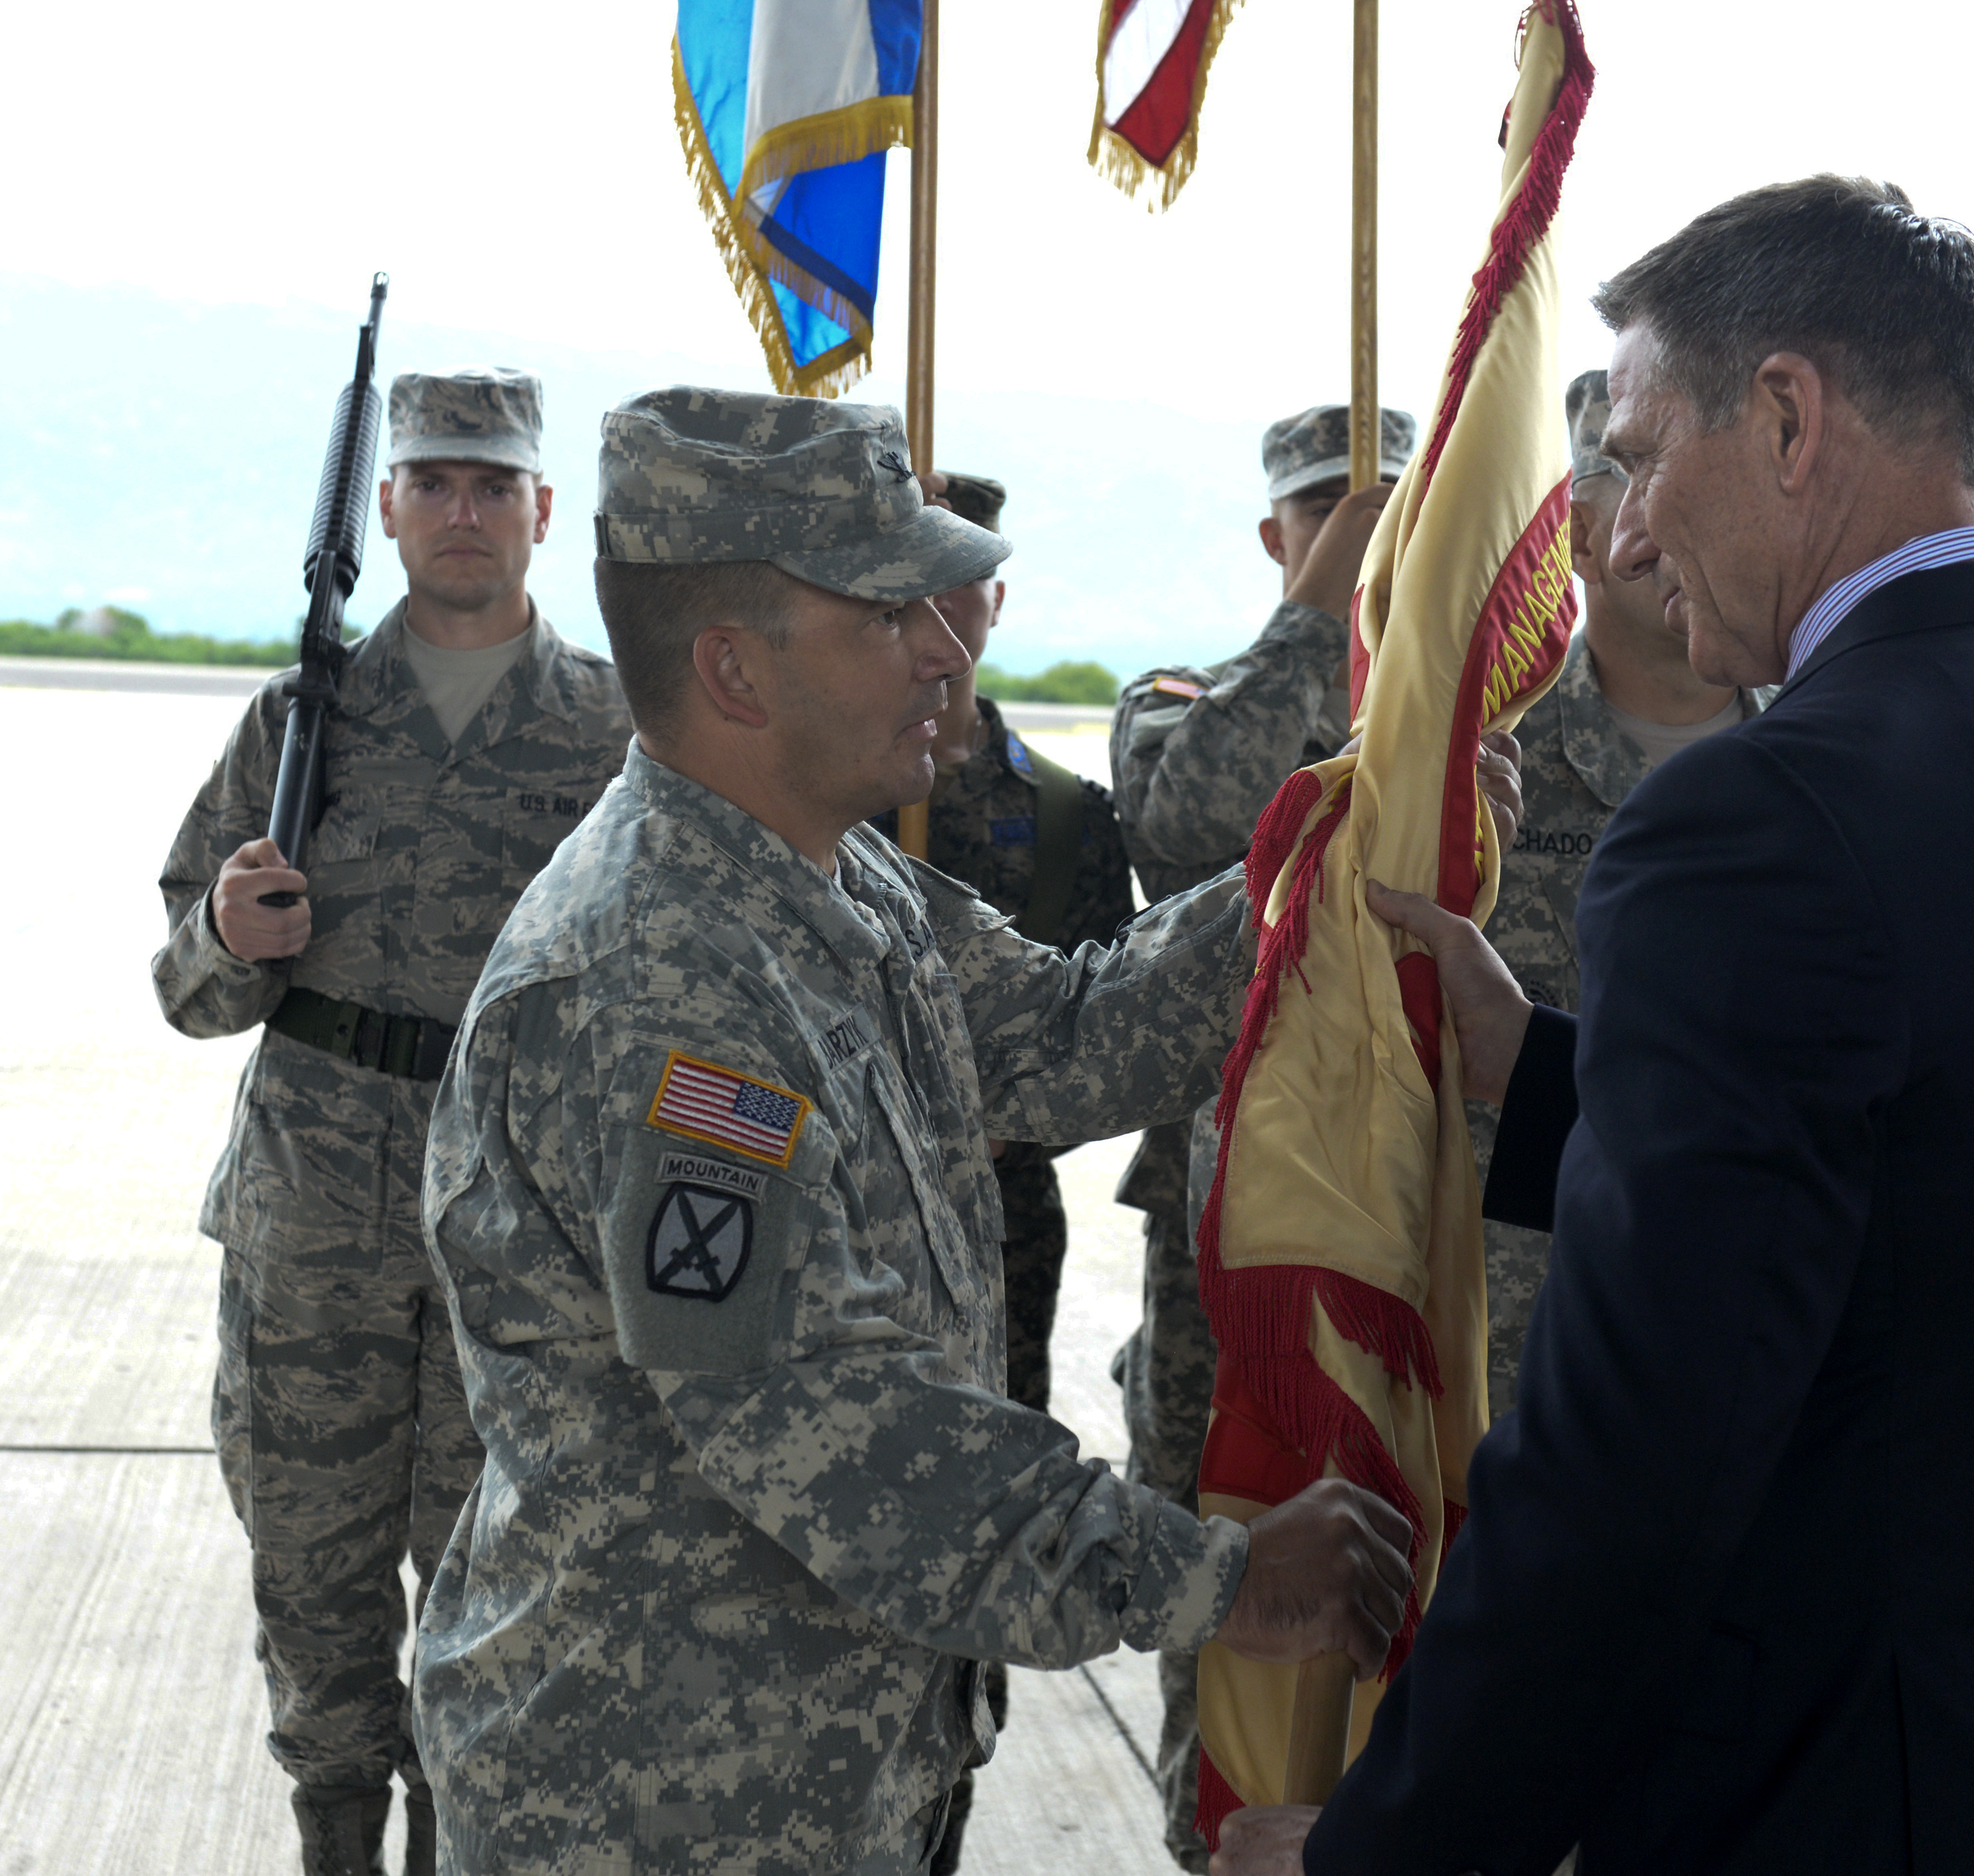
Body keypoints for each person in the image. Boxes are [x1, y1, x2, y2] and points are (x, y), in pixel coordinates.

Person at [1217, 175, 1974, 1875]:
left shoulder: (1760, 818)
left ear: (1792, 418)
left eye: (1647, 453)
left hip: (1868, 1796)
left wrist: (1392, 1848)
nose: (1631, 525)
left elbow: (1636, 1460)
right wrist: (1553, 1089)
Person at [413, 389, 1526, 1873]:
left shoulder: (830, 883)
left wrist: (1332, 860)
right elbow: (834, 1430)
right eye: (887, 614)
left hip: (822, 1773)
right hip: (659, 1805)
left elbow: (1065, 1037)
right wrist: (1212, 1580)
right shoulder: (652, 981)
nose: (948, 646)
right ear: (735, 669)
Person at [151, 368, 634, 1875]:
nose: (466, 511)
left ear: (546, 512)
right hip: (316, 1223)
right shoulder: (302, 720)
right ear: (387, 510)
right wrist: (232, 934)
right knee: (313, 1583)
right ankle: (336, 1845)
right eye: (434, 482)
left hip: (522, 1237)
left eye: (495, 484)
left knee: (499, 1594)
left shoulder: (616, 735)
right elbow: (186, 987)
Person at [1107, 403, 1414, 1867]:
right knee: (1223, 1594)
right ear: (1273, 534)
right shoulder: (1181, 695)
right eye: (1327, 512)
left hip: (1425, 1239)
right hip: (1227, 1242)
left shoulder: (1467, 717)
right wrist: (1313, 618)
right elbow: (1181, 820)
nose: (1361, 534)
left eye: (1392, 509)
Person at [896, 471, 1139, 1875]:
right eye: (905, 587)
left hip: (1001, 1228)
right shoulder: (818, 796)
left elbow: (1092, 1018)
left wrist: (1012, 1121)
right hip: (844, 1217)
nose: (940, 614)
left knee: (981, 1525)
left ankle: (947, 1810)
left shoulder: (1060, 811)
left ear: (997, 600)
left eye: (962, 583)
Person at [1468, 370, 1760, 1409]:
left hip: (1753, 1330)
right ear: (1579, 540)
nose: (1671, 527)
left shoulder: (1833, 760)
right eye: (1633, 485)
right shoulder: (1478, 767)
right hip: (1514, 1350)